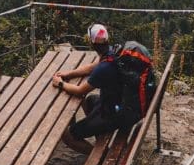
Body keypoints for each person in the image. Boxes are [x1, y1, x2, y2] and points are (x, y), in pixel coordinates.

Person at [52, 23, 137, 154]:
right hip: (122, 104)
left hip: (114, 115)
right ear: (107, 39)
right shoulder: (113, 53)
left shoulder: (104, 68)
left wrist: (60, 84)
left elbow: (80, 90)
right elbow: (92, 67)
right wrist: (69, 74)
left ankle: (99, 156)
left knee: (67, 135)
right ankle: (97, 129)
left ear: (92, 43)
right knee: (91, 99)